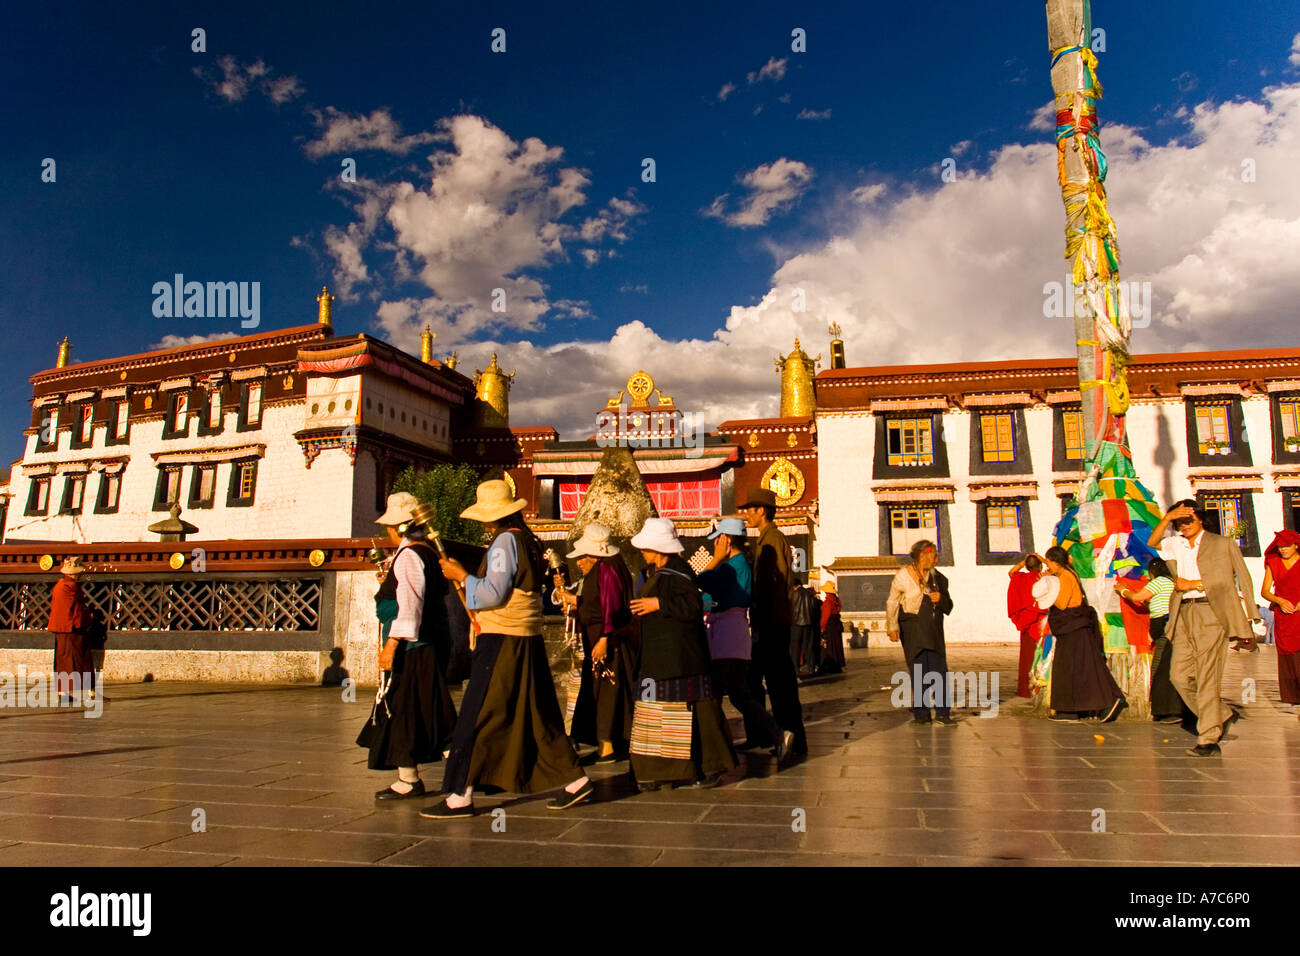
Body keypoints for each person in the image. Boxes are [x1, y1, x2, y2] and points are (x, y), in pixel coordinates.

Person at [422, 480, 592, 818]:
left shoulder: (503, 543)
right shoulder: (525, 540)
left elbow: (493, 594)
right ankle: (575, 781)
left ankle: (459, 794)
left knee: (478, 712)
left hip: (502, 640)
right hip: (525, 640)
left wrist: (461, 575)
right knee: (536, 712)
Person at [357, 492, 458, 801]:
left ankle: (462, 773)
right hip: (426, 643)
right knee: (409, 710)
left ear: (397, 527)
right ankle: (409, 778)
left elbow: (411, 605)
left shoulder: (410, 556)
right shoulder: (424, 552)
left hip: (415, 647)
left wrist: (391, 646)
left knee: (426, 710)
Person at [628, 517, 738, 789]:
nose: (642, 551)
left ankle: (710, 766)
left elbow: (691, 606)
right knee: (654, 717)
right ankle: (656, 772)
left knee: (699, 717)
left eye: (646, 547)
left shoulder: (679, 573)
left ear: (659, 549)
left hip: (682, 659)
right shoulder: (657, 573)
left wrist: (659, 603)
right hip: (660, 659)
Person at [1148, 499, 1262, 756]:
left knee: (1207, 676)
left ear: (1200, 519)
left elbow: (1238, 578)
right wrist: (1167, 518)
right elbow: (1153, 543)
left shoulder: (1222, 544)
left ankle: (1208, 738)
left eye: (1189, 519)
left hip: (1211, 611)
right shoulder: (1175, 544)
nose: (1184, 525)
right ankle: (1221, 714)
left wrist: (1196, 584)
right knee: (1178, 675)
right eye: (1180, 520)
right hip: (1183, 613)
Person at [697, 517, 786, 760]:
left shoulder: (729, 567)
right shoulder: (742, 565)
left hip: (726, 635)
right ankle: (769, 733)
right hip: (733, 634)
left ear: (725, 539)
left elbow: (701, 581)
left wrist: (714, 559)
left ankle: (718, 746)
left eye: (718, 540)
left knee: (720, 693)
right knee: (736, 693)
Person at [554, 523, 637, 762]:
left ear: (594, 554)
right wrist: (573, 603)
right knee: (605, 691)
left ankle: (607, 746)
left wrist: (603, 639)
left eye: (582, 557)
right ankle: (612, 742)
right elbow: (595, 605)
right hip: (602, 640)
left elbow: (611, 608)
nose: (579, 562)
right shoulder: (603, 569)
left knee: (606, 694)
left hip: (608, 642)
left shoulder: (607, 569)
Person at [738, 487, 807, 755]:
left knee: (780, 685)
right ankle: (765, 735)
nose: (747, 516)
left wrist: (765, 622)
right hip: (769, 623)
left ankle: (790, 737)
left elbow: (776, 586)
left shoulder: (772, 540)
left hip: (771, 625)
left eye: (751, 511)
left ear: (762, 512)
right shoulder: (767, 538)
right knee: (756, 681)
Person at [1040, 546, 1126, 723]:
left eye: (1049, 562)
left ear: (1056, 562)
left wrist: (1046, 589)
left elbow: (1062, 604)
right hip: (1075, 627)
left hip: (1072, 627)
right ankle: (1074, 709)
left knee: (1073, 669)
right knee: (1080, 669)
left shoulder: (1064, 577)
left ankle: (1094, 704)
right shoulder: (1069, 572)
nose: (1047, 566)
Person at [1116, 557, 1191, 723]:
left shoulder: (1159, 582)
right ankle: (1172, 708)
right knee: (1165, 665)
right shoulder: (1171, 582)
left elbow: (1136, 597)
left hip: (1165, 628)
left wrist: (1122, 590)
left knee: (1162, 668)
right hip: (1169, 626)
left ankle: (1168, 709)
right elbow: (1155, 604)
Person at [888, 540, 954, 723]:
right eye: (932, 555)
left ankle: (942, 713)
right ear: (921, 556)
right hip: (912, 630)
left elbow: (948, 606)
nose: (935, 559)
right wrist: (892, 626)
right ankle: (922, 714)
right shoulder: (902, 576)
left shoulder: (940, 579)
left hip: (933, 631)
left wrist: (940, 599)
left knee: (939, 671)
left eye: (934, 555)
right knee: (919, 673)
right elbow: (892, 602)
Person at [1260, 530, 1300, 707]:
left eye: (1286, 546)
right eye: (1280, 547)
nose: (1282, 550)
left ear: (1296, 546)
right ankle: (1294, 696)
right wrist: (1280, 600)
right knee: (1288, 656)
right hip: (1284, 615)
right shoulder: (1273, 563)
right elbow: (1265, 591)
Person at [48, 556, 92, 705]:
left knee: (62, 659)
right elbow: (76, 609)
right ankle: (90, 691)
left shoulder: (60, 585)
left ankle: (63, 692)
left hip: (61, 627)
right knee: (81, 658)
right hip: (71, 627)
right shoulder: (70, 586)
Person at [1007, 554, 1048, 698]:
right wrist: (1044, 560)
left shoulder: (1021, 578)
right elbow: (1056, 571)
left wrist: (1022, 563)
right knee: (1043, 655)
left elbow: (1011, 572)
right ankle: (1041, 688)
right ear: (1040, 566)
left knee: (1027, 657)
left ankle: (1026, 690)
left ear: (1026, 566)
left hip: (1027, 623)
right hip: (1042, 622)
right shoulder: (1043, 577)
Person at [790, 581, 820, 676]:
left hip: (795, 624)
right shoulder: (810, 595)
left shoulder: (793, 594)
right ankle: (811, 667)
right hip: (809, 624)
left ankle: (795, 668)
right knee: (808, 646)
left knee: (795, 647)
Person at [818, 580, 846, 675]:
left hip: (830, 625)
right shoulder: (837, 600)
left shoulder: (828, 602)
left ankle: (830, 666)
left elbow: (825, 617)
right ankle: (838, 664)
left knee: (829, 646)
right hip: (836, 624)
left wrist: (822, 627)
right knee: (837, 645)